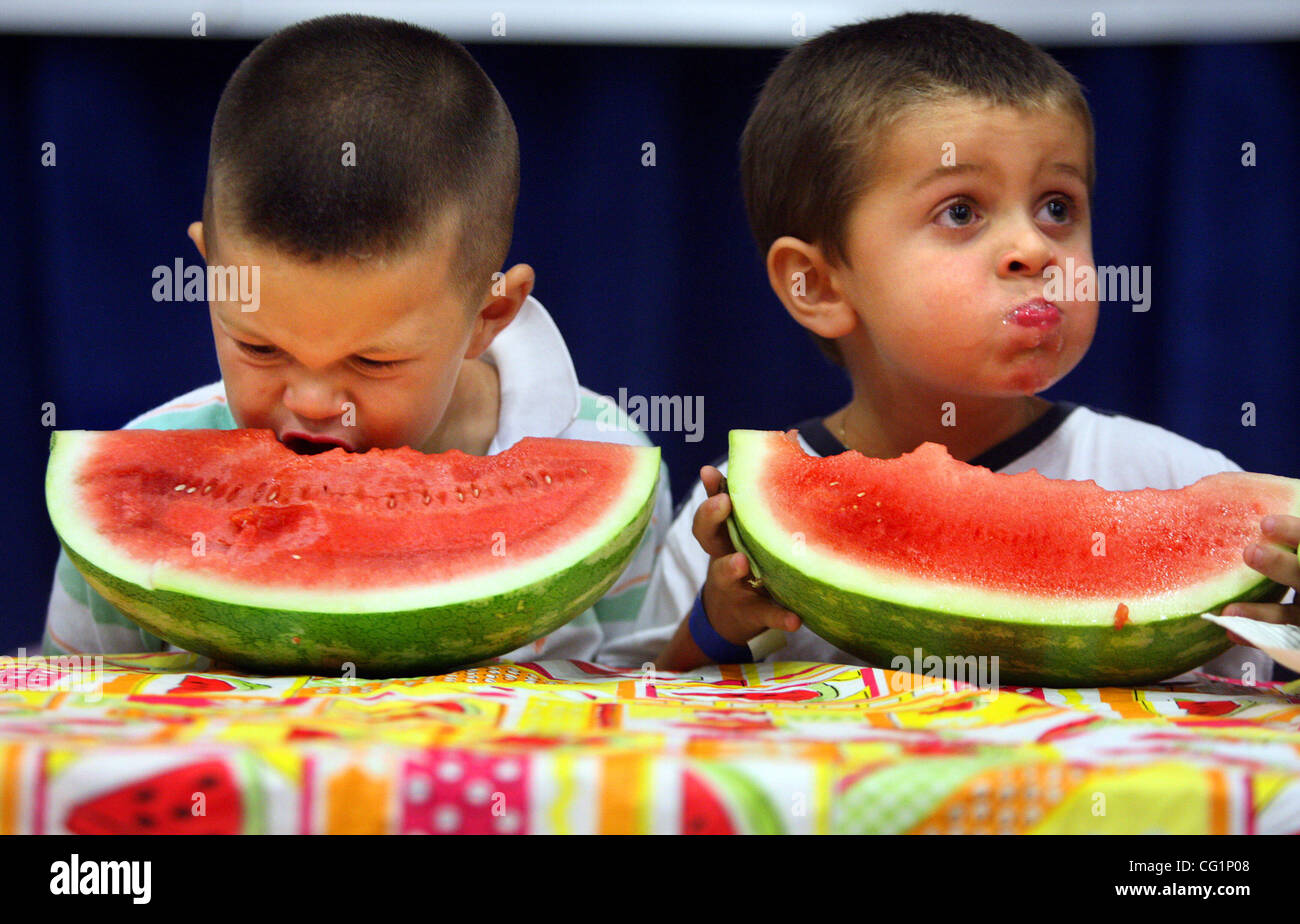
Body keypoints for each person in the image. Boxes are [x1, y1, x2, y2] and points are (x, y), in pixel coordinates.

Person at [603, 12, 1275, 682]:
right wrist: (718, 626)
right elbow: (657, 707)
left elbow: (1255, 689)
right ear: (818, 285)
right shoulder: (734, 518)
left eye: (1058, 207)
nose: (1034, 249)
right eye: (961, 211)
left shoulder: (1176, 477)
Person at [43, 14, 671, 665]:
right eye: (261, 349)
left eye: (373, 360)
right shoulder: (148, 481)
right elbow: (72, 715)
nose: (314, 402)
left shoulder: (603, 452)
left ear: (488, 315)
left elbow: (642, 697)